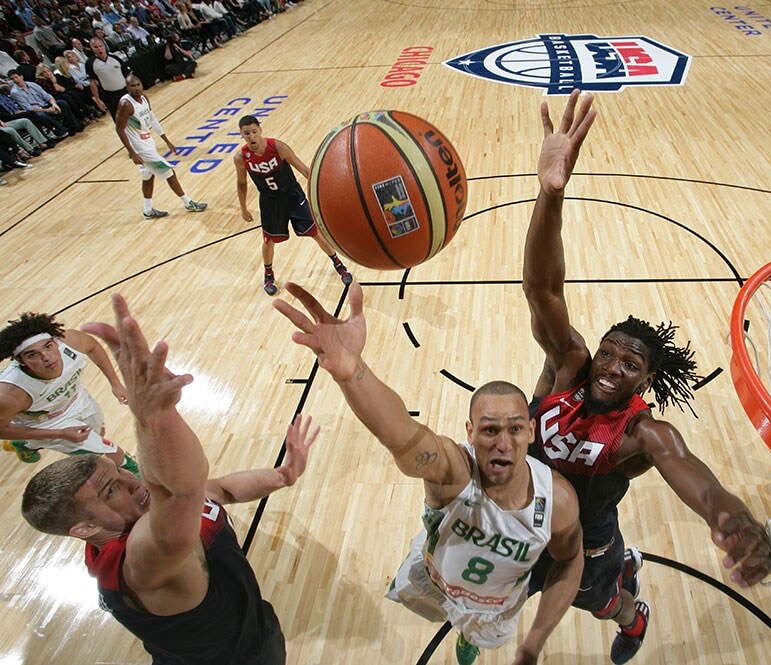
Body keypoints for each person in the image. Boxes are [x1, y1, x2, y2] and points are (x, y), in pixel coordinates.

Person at [521, 90, 771, 664]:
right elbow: (542, 287)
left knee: (605, 602)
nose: (611, 367)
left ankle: (635, 617)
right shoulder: (568, 364)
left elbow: (694, 475)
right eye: (610, 354)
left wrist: (728, 516)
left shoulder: (641, 434)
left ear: (646, 380)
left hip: (587, 539)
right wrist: (550, 194)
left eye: (630, 365)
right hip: (528, 514)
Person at [273, 280, 584, 665]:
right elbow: (403, 435)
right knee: (437, 607)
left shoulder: (558, 500)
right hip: (433, 579)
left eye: (515, 429)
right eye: (489, 430)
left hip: (495, 605)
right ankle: (458, 624)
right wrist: (353, 372)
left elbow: (570, 561)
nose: (503, 443)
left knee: (475, 634)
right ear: (469, 434)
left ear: (531, 432)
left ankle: (469, 636)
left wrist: (533, 641)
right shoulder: (454, 472)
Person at [20, 293, 316, 665]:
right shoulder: (141, 563)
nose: (133, 482)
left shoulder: (145, 515)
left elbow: (217, 491)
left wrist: (280, 477)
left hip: (249, 626)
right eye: (111, 491)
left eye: (118, 474)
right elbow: (181, 491)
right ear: (83, 529)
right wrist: (154, 419)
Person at [0, 312, 137, 474]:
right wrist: (59, 433)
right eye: (32, 354)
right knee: (107, 452)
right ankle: (135, 472)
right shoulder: (10, 394)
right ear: (21, 361)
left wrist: (116, 383)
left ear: (55, 342)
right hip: (47, 422)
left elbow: (93, 346)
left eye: (48, 346)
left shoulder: (70, 342)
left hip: (77, 399)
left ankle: (24, 443)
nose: (46, 357)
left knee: (99, 433)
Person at [234, 115, 352, 296]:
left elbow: (304, 170)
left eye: (254, 132)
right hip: (270, 201)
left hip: (292, 196)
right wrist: (243, 208)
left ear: (260, 130)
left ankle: (338, 264)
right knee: (268, 241)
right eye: (246, 133)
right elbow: (241, 183)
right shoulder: (241, 157)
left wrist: (324, 192)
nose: (251, 137)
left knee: (316, 234)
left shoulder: (278, 147)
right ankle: (268, 274)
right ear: (241, 134)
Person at [115, 74, 208, 219]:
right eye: (132, 86)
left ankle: (147, 210)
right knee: (169, 172)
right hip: (141, 148)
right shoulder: (126, 104)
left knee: (148, 176)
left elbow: (152, 119)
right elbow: (119, 128)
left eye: (138, 84)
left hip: (148, 142)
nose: (136, 88)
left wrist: (166, 140)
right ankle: (188, 202)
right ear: (127, 88)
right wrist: (132, 152)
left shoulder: (144, 98)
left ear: (142, 85)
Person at [85, 35, 129, 115]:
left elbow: (128, 74)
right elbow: (93, 83)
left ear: (104, 46)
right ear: (92, 49)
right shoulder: (90, 63)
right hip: (110, 95)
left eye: (100, 46)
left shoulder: (115, 58)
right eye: (95, 47)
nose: (99, 49)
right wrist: (98, 101)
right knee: (119, 118)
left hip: (125, 90)